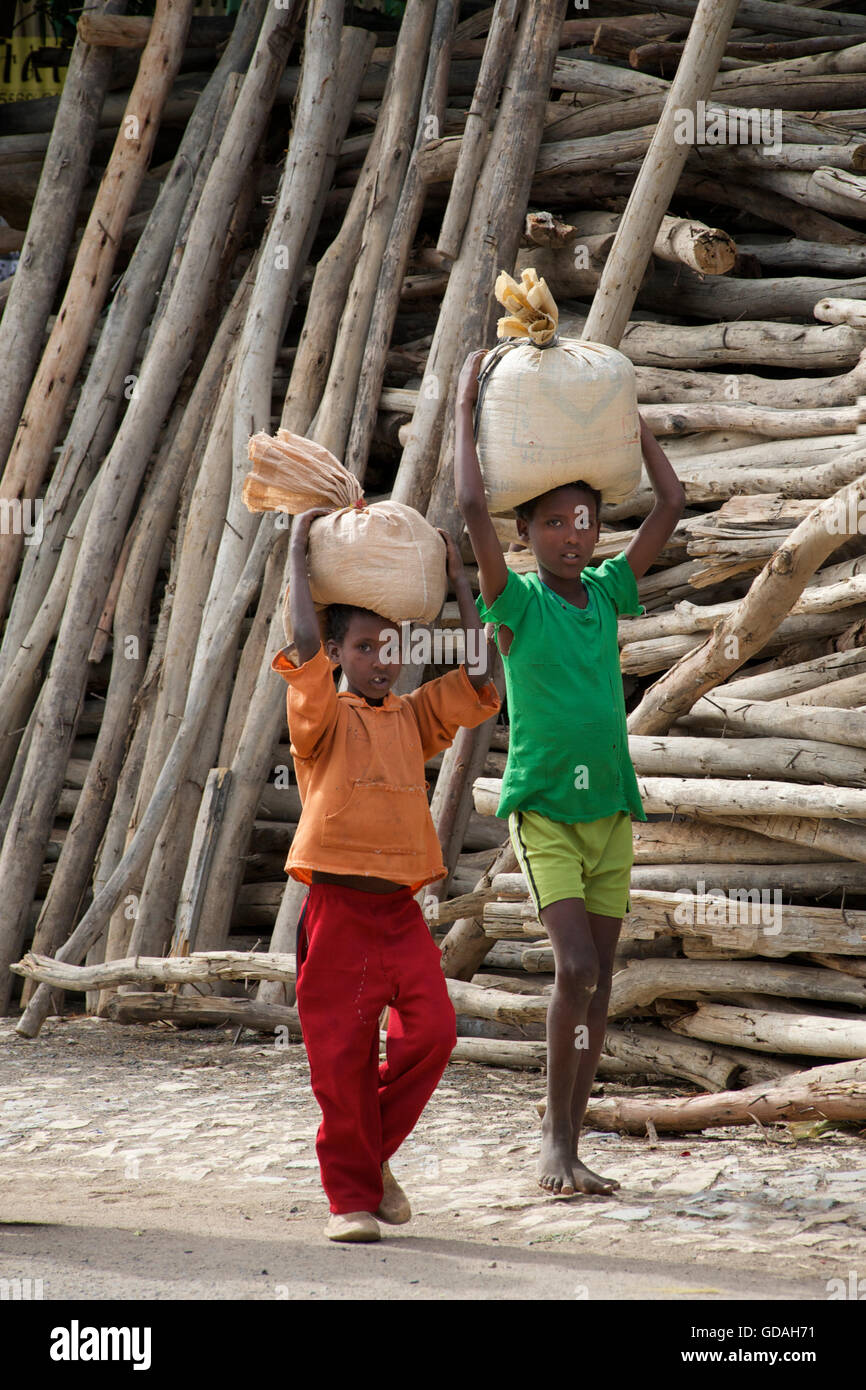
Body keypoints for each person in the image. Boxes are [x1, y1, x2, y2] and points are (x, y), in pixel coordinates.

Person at [455, 348, 685, 1197]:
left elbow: (671, 502)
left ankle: (575, 1141)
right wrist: (464, 401)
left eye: (584, 519)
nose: (572, 534)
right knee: (577, 970)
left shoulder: (611, 589)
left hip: (611, 815)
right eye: (554, 522)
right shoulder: (516, 603)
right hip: (546, 810)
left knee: (603, 981)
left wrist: (634, 425)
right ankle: (553, 1139)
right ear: (527, 536)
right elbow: (471, 503)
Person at [271, 505, 500, 1241]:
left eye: (393, 647)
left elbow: (479, 672)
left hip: (400, 915)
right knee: (338, 1065)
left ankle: (368, 1160)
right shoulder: (321, 719)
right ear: (338, 654)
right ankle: (351, 1201)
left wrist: (460, 581)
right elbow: (302, 639)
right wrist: (298, 550)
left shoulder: (414, 717)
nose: (383, 659)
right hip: (336, 912)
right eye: (366, 648)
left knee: (433, 1033)